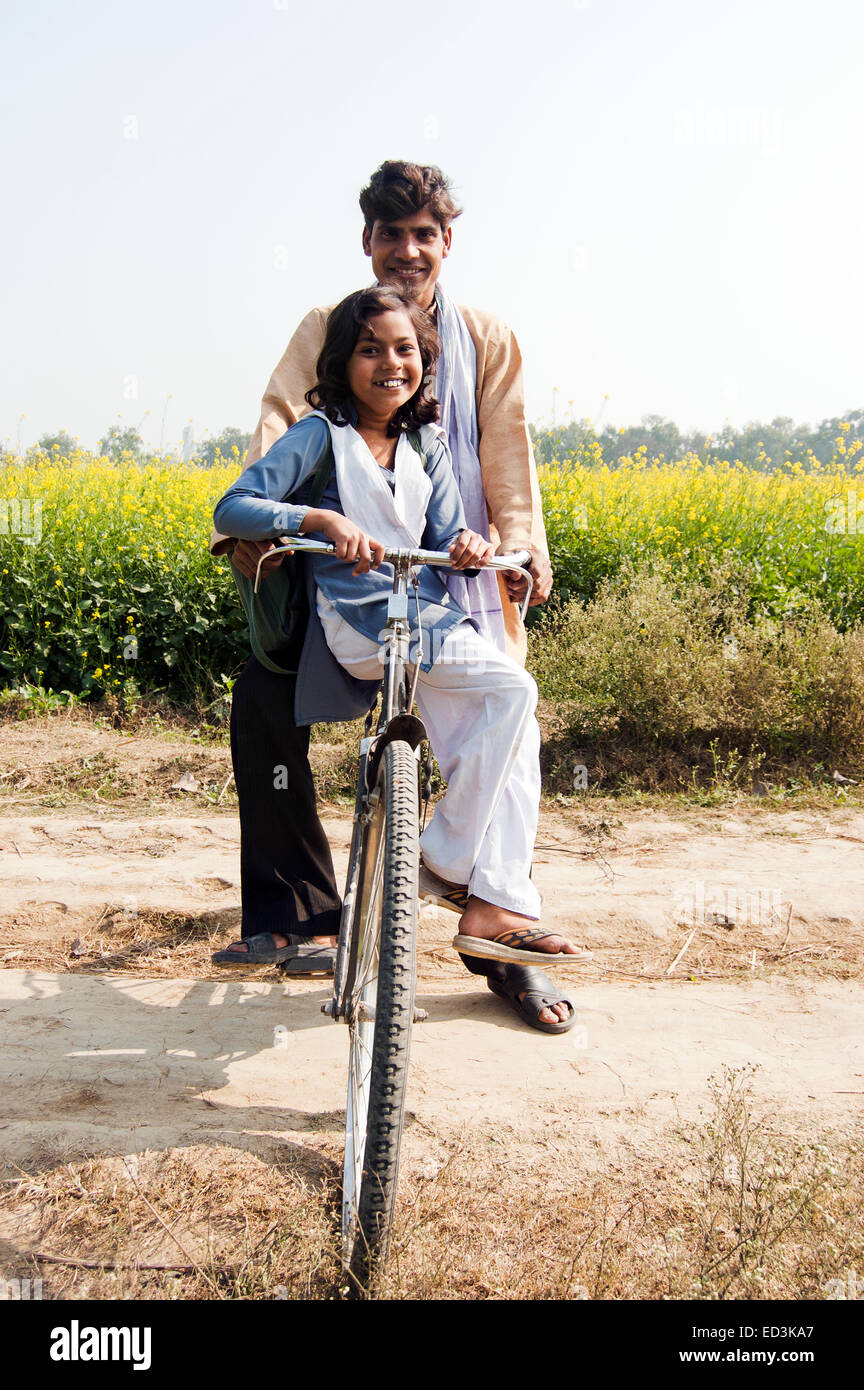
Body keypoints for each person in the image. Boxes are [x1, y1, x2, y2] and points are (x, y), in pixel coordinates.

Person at [210, 161, 574, 1028]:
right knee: (264, 704)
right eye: (390, 235)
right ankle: (298, 915)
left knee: (507, 728)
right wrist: (283, 528)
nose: (407, 252)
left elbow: (509, 458)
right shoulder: (332, 327)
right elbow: (278, 423)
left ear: (448, 243)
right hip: (341, 567)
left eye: (423, 236)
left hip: (452, 564)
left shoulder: (488, 335)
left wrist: (513, 548)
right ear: (367, 242)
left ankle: (500, 928)